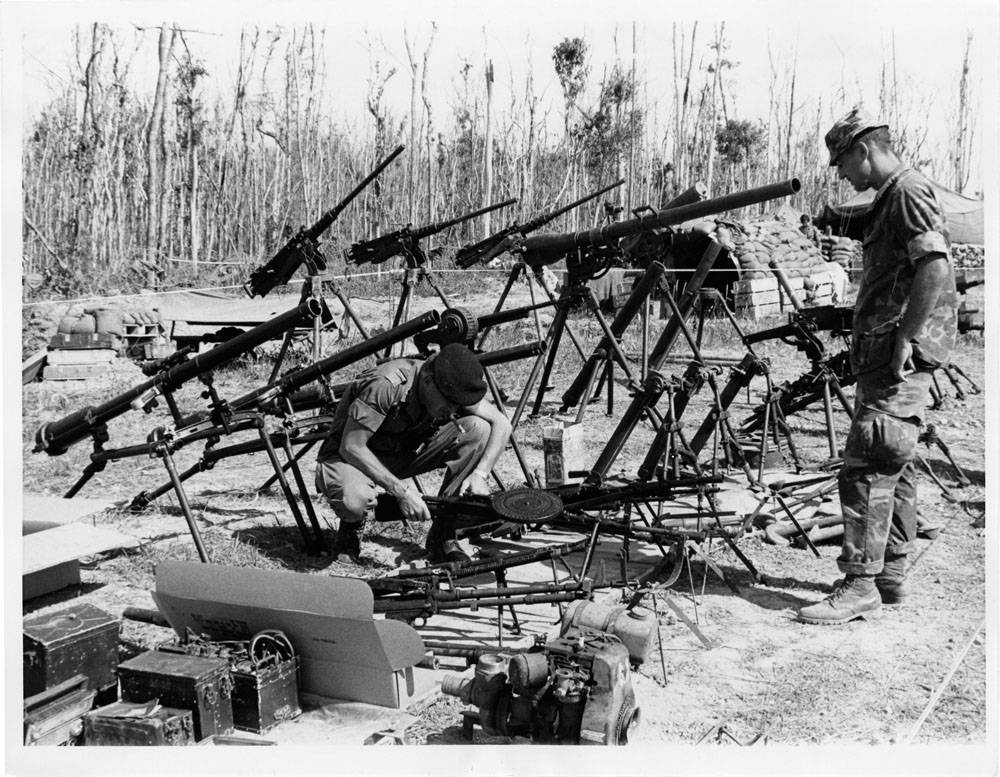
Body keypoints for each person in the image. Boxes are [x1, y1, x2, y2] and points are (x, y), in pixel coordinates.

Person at [798, 107, 958, 625]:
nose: (841, 173)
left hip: (898, 353)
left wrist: (906, 336)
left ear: (863, 150)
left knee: (870, 457)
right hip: (887, 350)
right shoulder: (891, 197)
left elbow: (934, 266)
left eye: (841, 162)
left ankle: (860, 584)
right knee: (897, 458)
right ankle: (890, 572)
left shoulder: (907, 192)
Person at [315, 342, 512, 564]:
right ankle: (351, 527)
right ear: (428, 382)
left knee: (479, 429)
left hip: (400, 453)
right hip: (350, 457)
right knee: (355, 500)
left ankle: (442, 532)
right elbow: (351, 447)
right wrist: (402, 492)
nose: (454, 412)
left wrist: (480, 474)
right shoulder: (386, 384)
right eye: (450, 404)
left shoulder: (446, 384)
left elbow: (502, 423)